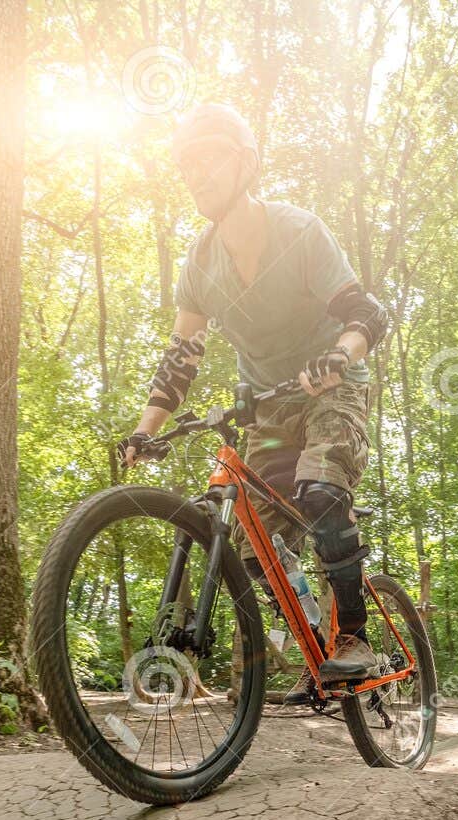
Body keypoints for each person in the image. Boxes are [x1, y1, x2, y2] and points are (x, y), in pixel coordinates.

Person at [118, 103, 390, 698]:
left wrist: (340, 356)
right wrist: (145, 429)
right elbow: (181, 357)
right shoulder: (199, 262)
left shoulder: (299, 231)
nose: (195, 174)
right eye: (186, 165)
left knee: (321, 492)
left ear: (245, 164)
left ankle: (354, 638)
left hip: (332, 387)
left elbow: (366, 312)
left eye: (208, 159)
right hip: (268, 407)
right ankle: (315, 649)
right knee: (258, 546)